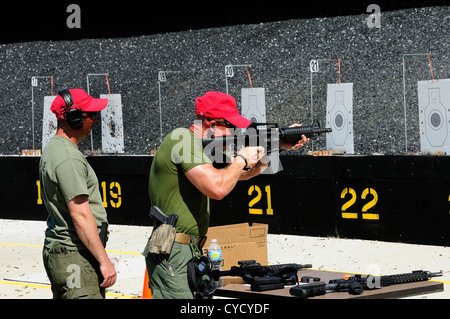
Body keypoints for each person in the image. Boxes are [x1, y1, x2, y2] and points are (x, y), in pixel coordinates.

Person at [143, 91, 309, 299]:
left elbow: (246, 174)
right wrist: (240, 158)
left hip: (191, 250)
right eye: (230, 127)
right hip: (173, 250)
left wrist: (275, 146)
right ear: (212, 124)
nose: (234, 132)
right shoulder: (181, 139)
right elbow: (218, 189)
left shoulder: (203, 148)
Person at [39, 89, 116, 299]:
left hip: (69, 253)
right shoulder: (68, 158)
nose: (95, 121)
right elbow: (80, 215)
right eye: (91, 115)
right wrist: (104, 261)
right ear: (75, 119)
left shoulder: (55, 149)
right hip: (75, 255)